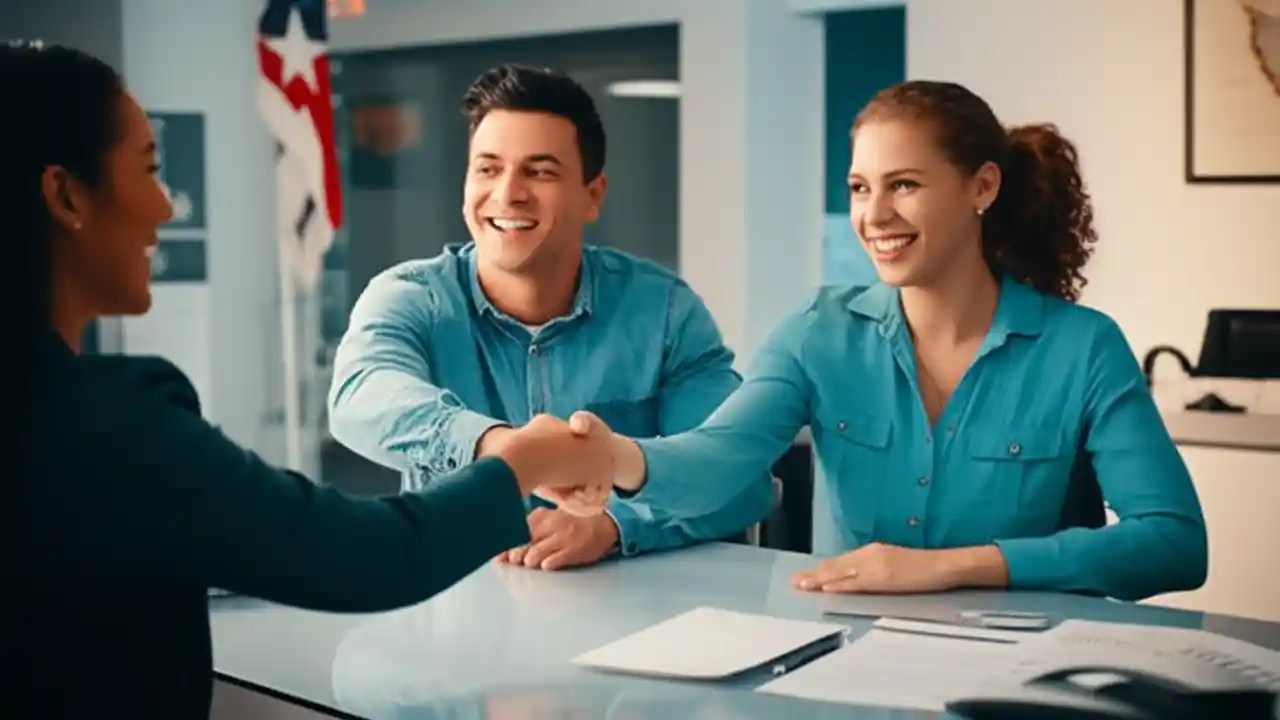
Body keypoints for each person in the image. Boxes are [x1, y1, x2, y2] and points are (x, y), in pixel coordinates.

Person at [9, 41, 609, 718]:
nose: (166, 207)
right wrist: (517, 457)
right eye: (149, 169)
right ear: (64, 193)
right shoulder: (110, 423)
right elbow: (379, 553)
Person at [557, 80, 1209, 602]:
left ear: (982, 186)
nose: (873, 216)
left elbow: (1174, 544)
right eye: (860, 188)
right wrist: (614, 456)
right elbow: (719, 461)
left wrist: (954, 568)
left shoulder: (1084, 347)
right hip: (839, 660)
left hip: (1011, 673)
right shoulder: (819, 331)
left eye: (904, 185)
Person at [327, 63, 773, 571]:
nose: (508, 193)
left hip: (630, 614)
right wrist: (510, 453)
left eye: (539, 171)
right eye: (488, 168)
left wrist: (614, 525)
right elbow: (360, 395)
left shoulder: (664, 311)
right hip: (455, 607)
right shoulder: (410, 297)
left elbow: (737, 478)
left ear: (593, 195)